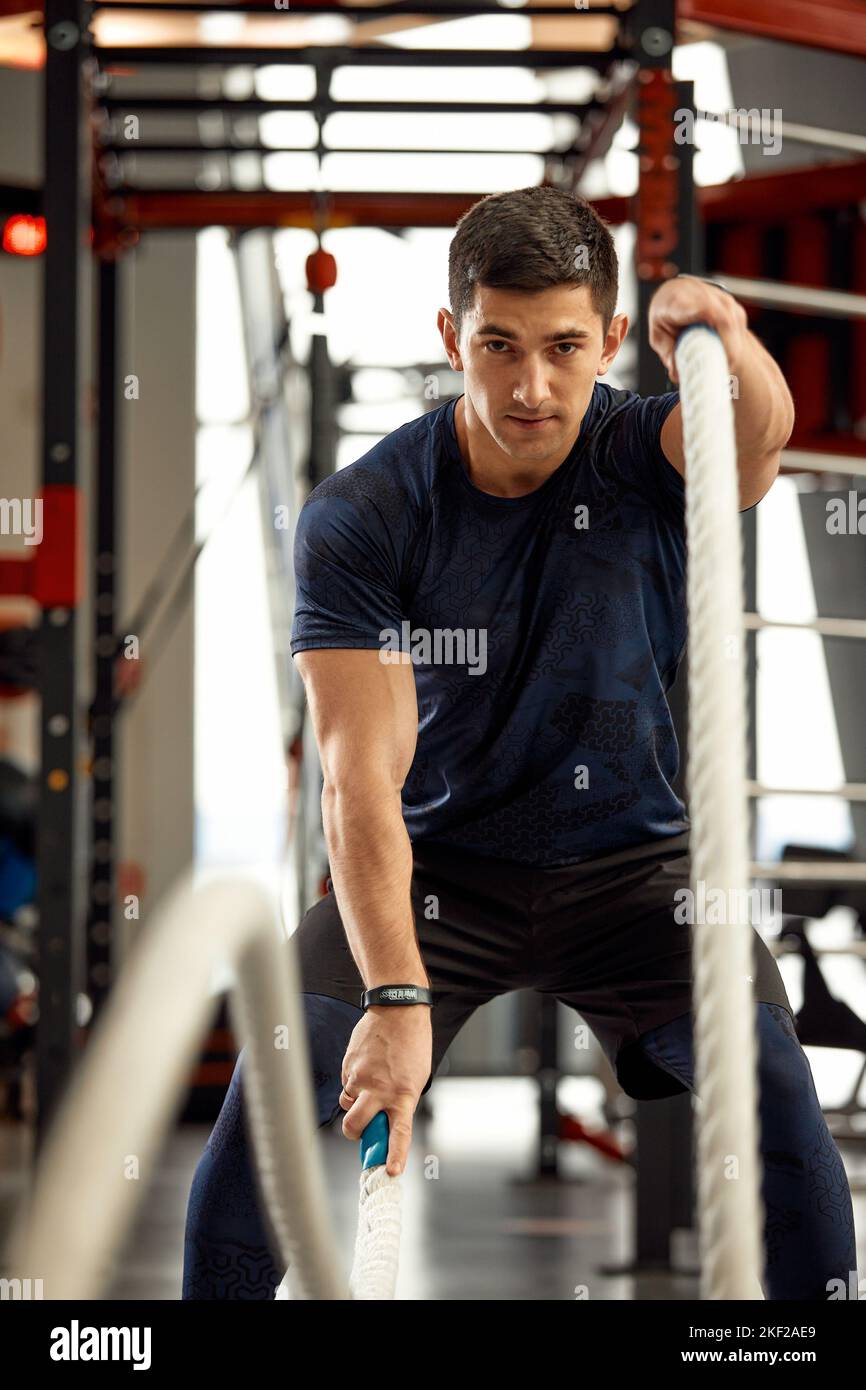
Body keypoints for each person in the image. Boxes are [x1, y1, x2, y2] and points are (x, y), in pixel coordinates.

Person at [183, 186, 856, 1300]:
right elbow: (358, 778)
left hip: (636, 876)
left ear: (606, 337)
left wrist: (724, 330)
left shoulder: (646, 454)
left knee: (778, 1099)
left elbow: (755, 441)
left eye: (562, 347)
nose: (530, 385)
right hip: (436, 880)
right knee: (263, 1111)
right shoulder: (369, 510)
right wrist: (395, 997)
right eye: (496, 345)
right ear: (451, 336)